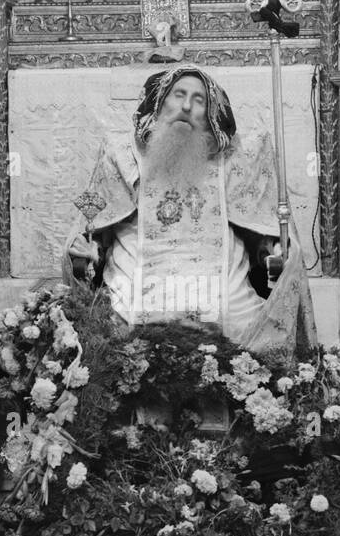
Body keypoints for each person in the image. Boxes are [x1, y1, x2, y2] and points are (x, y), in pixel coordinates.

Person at [64, 64, 316, 361]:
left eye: (199, 101)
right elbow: (97, 228)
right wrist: (89, 252)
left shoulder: (235, 159)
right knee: (114, 320)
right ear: (159, 103)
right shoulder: (125, 154)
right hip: (140, 277)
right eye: (178, 95)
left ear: (210, 115)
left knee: (248, 323)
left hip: (218, 281)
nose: (186, 106)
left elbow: (258, 229)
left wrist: (274, 250)